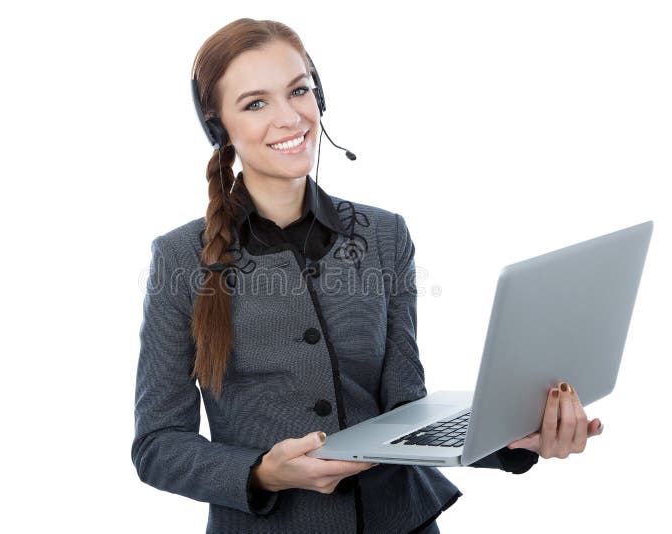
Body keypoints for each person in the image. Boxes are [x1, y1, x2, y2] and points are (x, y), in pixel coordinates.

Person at [131, 18, 604, 534]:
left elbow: (405, 409)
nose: (290, 118)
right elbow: (158, 445)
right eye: (256, 103)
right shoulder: (181, 257)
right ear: (218, 125)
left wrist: (512, 438)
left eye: (299, 91)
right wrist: (263, 473)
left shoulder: (384, 234)